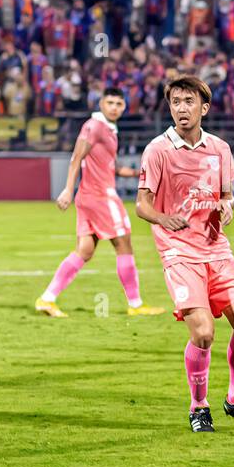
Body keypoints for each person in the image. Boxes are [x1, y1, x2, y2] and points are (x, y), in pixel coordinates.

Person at [136, 75, 234, 433]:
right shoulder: (158, 150)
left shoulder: (220, 149)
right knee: (204, 332)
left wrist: (226, 207)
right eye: (175, 102)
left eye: (188, 102)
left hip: (217, 249)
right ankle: (199, 407)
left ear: (203, 108)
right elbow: (141, 206)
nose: (181, 108)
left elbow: (227, 194)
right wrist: (164, 218)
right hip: (179, 253)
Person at [37, 87, 165, 318]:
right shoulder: (94, 126)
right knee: (124, 243)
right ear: (101, 104)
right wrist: (67, 189)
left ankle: (47, 299)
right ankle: (135, 305)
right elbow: (77, 156)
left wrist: (139, 173)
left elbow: (111, 167)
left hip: (89, 198)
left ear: (124, 107)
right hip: (101, 197)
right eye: (110, 103)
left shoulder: (109, 130)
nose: (115, 107)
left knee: (84, 251)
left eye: (119, 103)